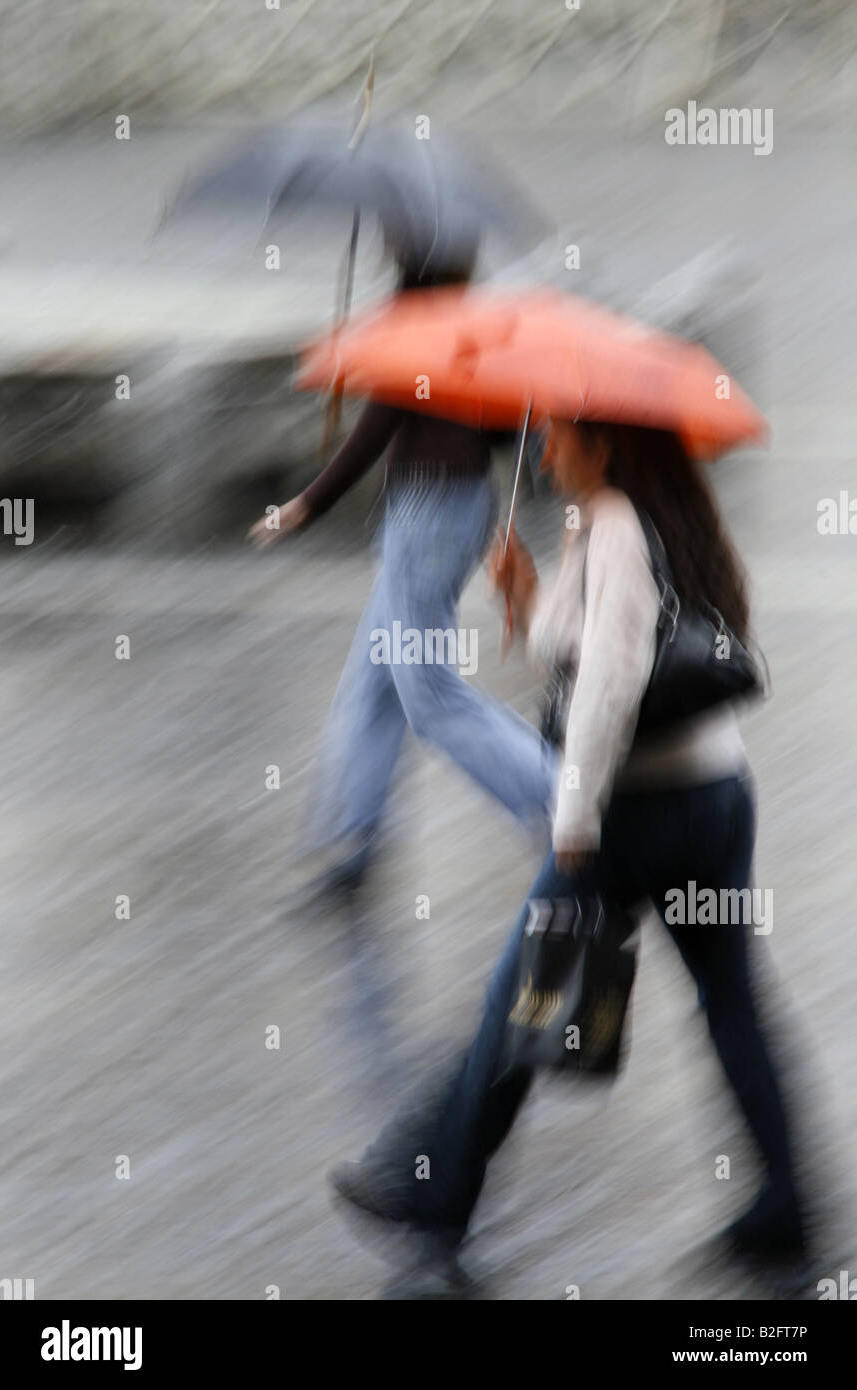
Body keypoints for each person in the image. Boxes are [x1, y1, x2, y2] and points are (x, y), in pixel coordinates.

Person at [330, 416, 809, 1294]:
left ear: (606, 445)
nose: (542, 456)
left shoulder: (620, 525)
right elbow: (591, 644)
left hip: (634, 816)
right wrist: (527, 586)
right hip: (715, 800)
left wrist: (575, 817)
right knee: (730, 1001)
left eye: (558, 440)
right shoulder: (638, 518)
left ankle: (434, 1210)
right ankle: (787, 1208)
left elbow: (613, 680)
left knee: (519, 1003)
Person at [249, 259, 557, 897]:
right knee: (374, 681)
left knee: (431, 696)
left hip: (426, 519)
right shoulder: (474, 327)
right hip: (457, 510)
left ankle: (565, 804)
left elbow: (377, 427)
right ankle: (354, 843)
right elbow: (506, 428)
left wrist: (307, 504)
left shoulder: (415, 326)